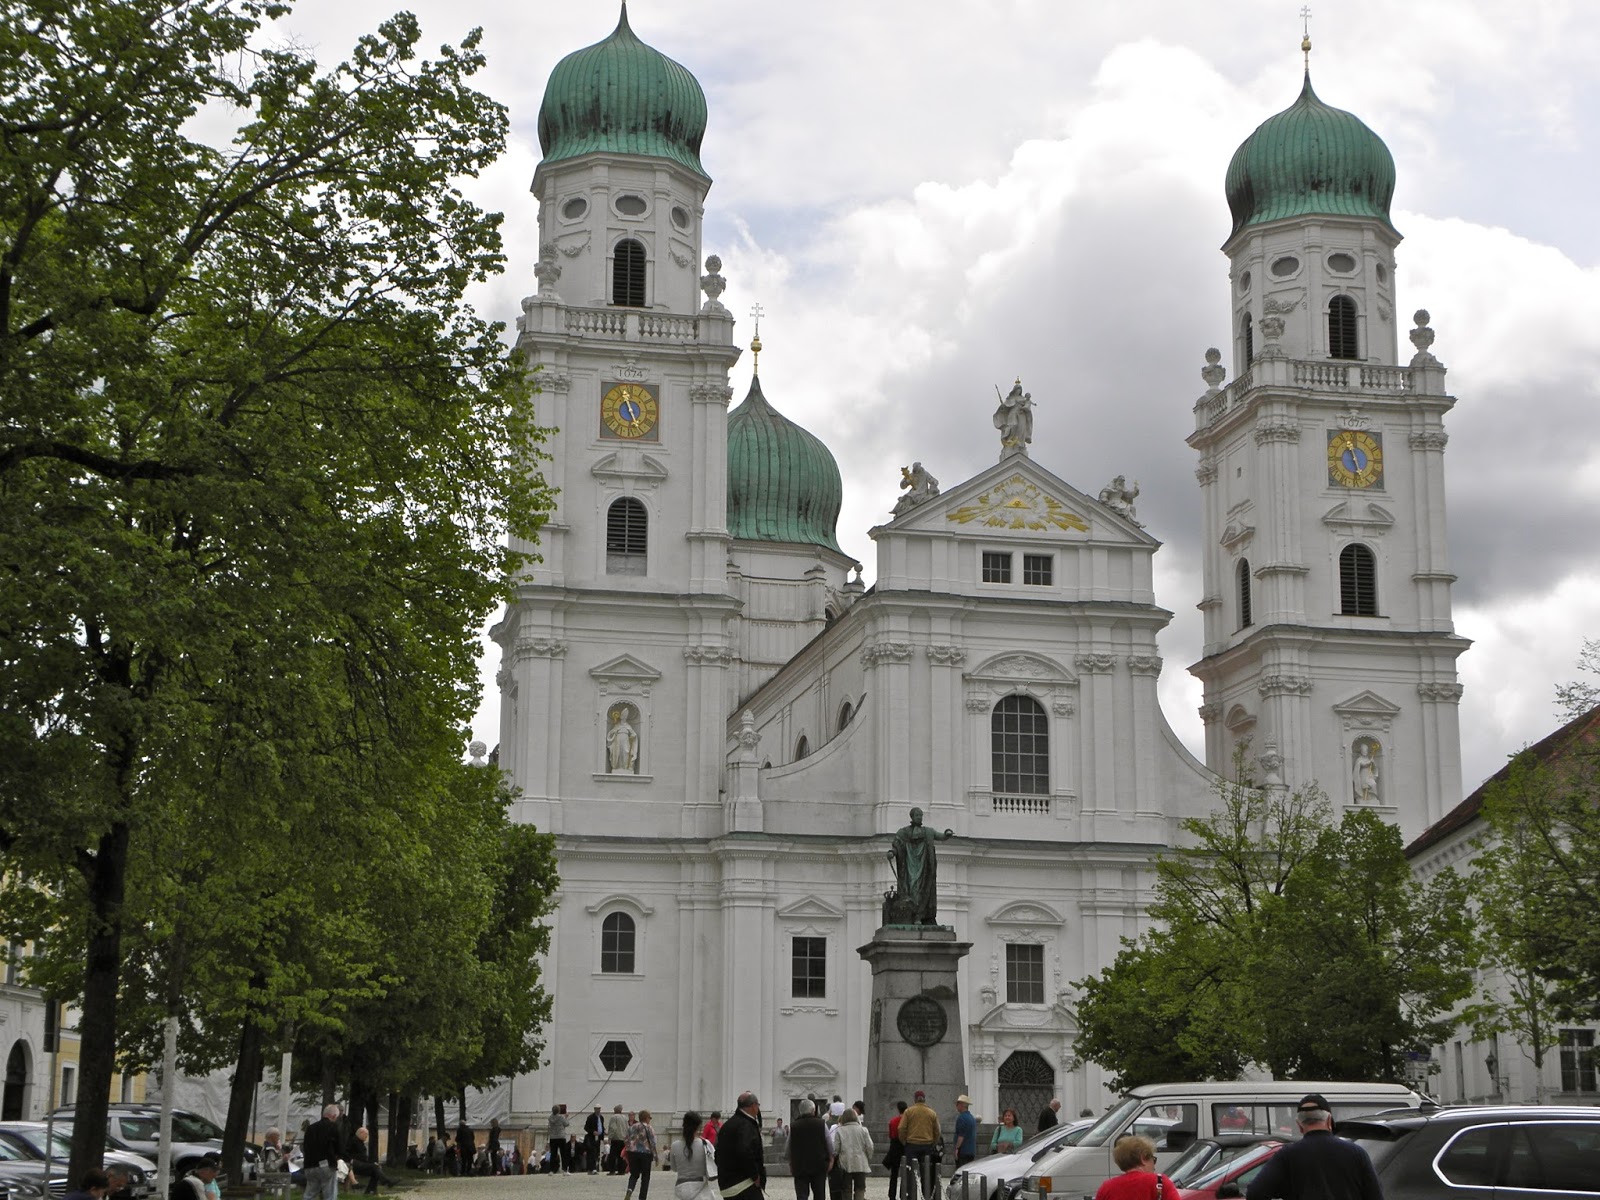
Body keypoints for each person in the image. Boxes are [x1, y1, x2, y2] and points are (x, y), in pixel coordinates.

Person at [1246, 1094, 1382, 1200]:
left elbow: (1255, 1193)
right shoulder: (1356, 1153)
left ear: (1299, 1125)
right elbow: (1375, 1196)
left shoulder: (1287, 1155)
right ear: (1329, 1120)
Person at [887, 809, 955, 925]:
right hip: (909, 866)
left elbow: (940, 836)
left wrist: (947, 833)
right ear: (912, 817)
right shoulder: (903, 833)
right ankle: (910, 915)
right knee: (912, 889)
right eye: (917, 815)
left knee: (922, 890)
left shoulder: (928, 832)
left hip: (924, 867)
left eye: (921, 815)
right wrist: (892, 853)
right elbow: (897, 845)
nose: (919, 817)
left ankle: (920, 916)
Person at [716, 1091, 767, 1200]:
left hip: (726, 1185)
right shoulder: (746, 1125)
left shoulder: (727, 1125)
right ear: (753, 1106)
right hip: (744, 1183)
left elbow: (717, 1153)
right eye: (758, 1105)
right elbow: (745, 1151)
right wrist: (755, 1175)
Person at [1093, 1137, 1176, 1200]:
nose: (1154, 1167)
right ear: (1143, 1158)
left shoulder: (1107, 1188)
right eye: (1153, 1159)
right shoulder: (1160, 1183)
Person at [897, 1090, 941, 1200]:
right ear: (924, 1099)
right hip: (927, 1146)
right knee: (926, 1173)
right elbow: (937, 1131)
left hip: (911, 1145)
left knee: (910, 1173)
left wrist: (904, 1141)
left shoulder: (909, 1112)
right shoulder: (932, 1113)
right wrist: (933, 1142)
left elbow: (901, 1128)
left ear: (915, 1099)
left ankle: (909, 1196)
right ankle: (926, 1196)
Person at [787, 1099, 831, 1200]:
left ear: (800, 1111)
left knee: (802, 1195)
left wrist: (790, 1162)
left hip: (800, 1165)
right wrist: (831, 1159)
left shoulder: (794, 1126)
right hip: (819, 1164)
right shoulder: (821, 1124)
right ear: (813, 1110)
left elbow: (788, 1147)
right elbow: (829, 1143)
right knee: (819, 1194)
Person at [671, 1110, 717, 1200]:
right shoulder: (705, 1144)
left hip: (681, 1188)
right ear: (699, 1126)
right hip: (701, 1189)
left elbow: (674, 1168)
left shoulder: (674, 1146)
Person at [302, 1103, 343, 1200]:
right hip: (326, 1165)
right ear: (333, 1116)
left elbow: (305, 1146)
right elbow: (339, 1147)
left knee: (310, 1193)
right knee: (329, 1194)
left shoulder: (310, 1128)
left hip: (310, 1165)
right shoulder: (333, 1127)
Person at [833, 1108, 873, 1200]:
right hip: (860, 1163)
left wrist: (836, 1158)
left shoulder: (840, 1130)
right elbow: (870, 1146)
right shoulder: (864, 1130)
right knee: (860, 1187)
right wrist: (868, 1157)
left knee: (846, 1188)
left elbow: (836, 1149)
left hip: (845, 1163)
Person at [349, 1126, 396, 1196]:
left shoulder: (360, 1143)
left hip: (361, 1164)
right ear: (361, 1133)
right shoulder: (353, 1141)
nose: (367, 1136)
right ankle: (386, 1182)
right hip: (354, 1165)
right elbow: (352, 1156)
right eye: (366, 1134)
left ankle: (370, 1191)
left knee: (375, 1169)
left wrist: (373, 1163)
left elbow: (364, 1158)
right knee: (375, 1168)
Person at [626, 1108, 659, 1200]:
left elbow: (626, 1140)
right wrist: (656, 1157)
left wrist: (629, 1151)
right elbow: (653, 1142)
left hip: (633, 1153)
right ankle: (642, 1198)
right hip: (645, 1154)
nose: (650, 1120)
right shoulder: (649, 1127)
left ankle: (630, 1189)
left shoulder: (632, 1127)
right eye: (649, 1118)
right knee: (645, 1177)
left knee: (634, 1174)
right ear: (646, 1118)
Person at [884, 1101, 908, 1200]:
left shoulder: (893, 1121)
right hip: (905, 1145)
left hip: (894, 1146)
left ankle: (892, 1194)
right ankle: (903, 1194)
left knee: (894, 1174)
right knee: (905, 1172)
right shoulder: (908, 1121)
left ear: (898, 1109)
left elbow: (891, 1135)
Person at [952, 1096, 978, 1169]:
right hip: (971, 1151)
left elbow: (961, 1136)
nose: (956, 1106)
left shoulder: (961, 1118)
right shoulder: (971, 1118)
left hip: (963, 1151)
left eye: (957, 1104)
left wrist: (957, 1148)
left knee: (961, 1172)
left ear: (961, 1105)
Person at [608, 1105, 630, 1175]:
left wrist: (610, 1137)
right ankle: (621, 1170)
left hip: (616, 1139)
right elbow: (627, 1128)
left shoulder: (614, 1117)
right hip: (623, 1139)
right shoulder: (625, 1118)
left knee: (612, 1156)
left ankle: (612, 1170)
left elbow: (613, 1128)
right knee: (621, 1156)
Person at [549, 1105, 571, 1174]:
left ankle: (552, 1170)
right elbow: (567, 1124)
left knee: (553, 1154)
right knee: (563, 1154)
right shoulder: (561, 1117)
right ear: (559, 1111)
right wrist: (566, 1117)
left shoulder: (550, 1118)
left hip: (553, 1137)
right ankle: (564, 1169)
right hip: (561, 1137)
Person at [586, 1106, 606, 1174]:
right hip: (592, 1138)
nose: (598, 1110)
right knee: (592, 1153)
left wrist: (603, 1133)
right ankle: (592, 1168)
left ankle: (596, 1167)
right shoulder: (590, 1117)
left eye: (599, 1109)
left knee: (597, 1152)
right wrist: (592, 1132)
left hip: (599, 1138)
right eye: (597, 1109)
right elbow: (586, 1127)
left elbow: (601, 1127)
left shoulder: (601, 1117)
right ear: (594, 1109)